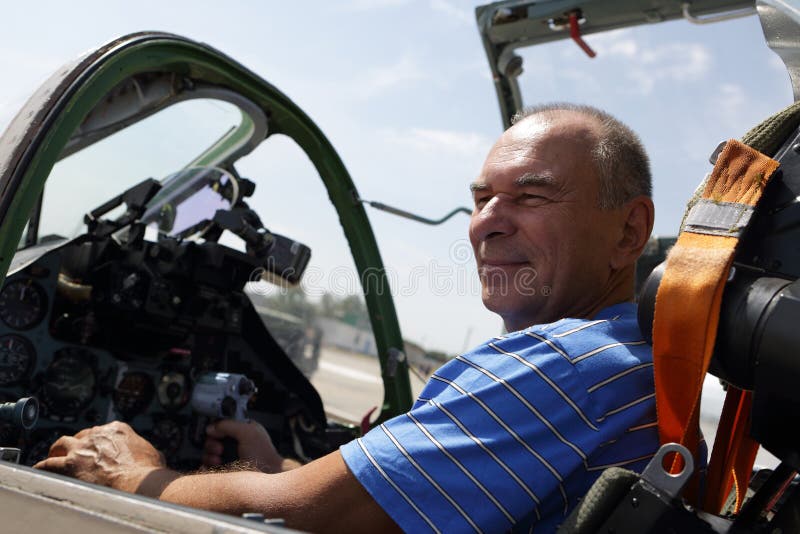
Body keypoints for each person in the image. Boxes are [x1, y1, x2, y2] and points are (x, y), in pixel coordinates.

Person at [35, 103, 657, 533]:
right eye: (480, 198)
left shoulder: (558, 368)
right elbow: (397, 500)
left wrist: (134, 473)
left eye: (530, 195)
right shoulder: (622, 361)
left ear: (630, 230)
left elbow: (305, 518)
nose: (487, 220)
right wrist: (279, 464)